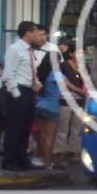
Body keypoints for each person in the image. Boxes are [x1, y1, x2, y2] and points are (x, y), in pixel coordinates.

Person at [1, 21, 43, 172]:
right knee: (15, 128)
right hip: (18, 92)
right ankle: (9, 160)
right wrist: (16, 94)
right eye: (35, 32)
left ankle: (21, 158)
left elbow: (29, 71)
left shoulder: (30, 51)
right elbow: (9, 74)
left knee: (26, 128)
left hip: (29, 91)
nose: (37, 35)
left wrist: (36, 83)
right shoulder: (15, 49)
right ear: (27, 33)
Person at [34, 41, 64, 171]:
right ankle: (47, 164)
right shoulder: (57, 75)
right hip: (52, 107)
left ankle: (38, 159)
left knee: (42, 135)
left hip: (40, 105)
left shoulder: (40, 73)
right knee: (50, 138)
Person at [55, 45, 86, 164]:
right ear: (71, 54)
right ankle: (59, 152)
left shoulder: (84, 68)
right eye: (78, 54)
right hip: (66, 101)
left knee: (77, 128)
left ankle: (74, 151)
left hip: (79, 102)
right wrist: (79, 91)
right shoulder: (64, 66)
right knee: (63, 128)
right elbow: (63, 82)